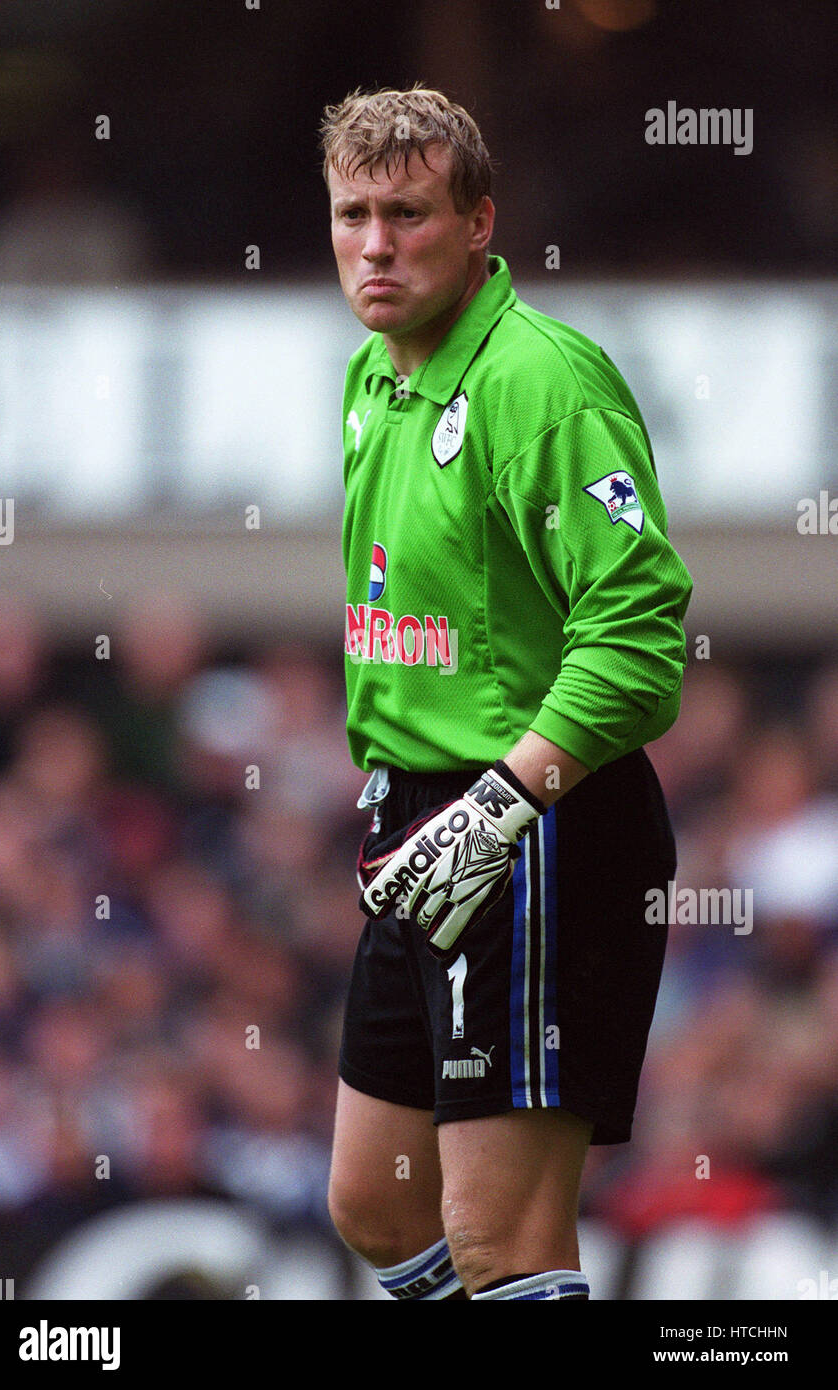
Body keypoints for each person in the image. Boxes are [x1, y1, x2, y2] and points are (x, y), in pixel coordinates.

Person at [320, 84, 692, 1302]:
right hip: (418, 818)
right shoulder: (369, 380)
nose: (376, 246)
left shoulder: (542, 383)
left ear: (480, 222)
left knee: (501, 1243)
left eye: (409, 214)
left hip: (538, 826)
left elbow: (637, 639)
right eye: (352, 214)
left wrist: (499, 805)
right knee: (373, 1203)